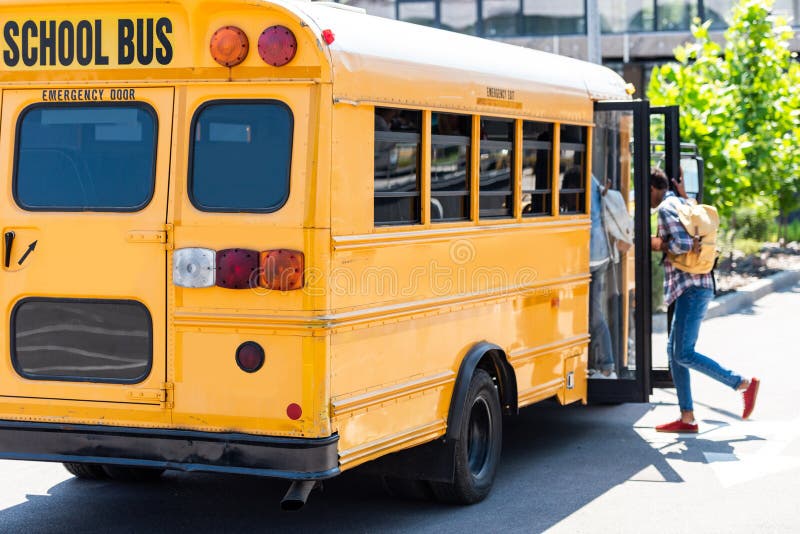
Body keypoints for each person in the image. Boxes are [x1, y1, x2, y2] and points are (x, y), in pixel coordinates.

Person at [649, 168, 759, 432]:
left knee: (684, 353)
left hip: (691, 288)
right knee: (674, 354)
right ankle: (687, 417)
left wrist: (658, 244)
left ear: (652, 188)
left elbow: (683, 245)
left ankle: (742, 383)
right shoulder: (682, 203)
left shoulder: (666, 208)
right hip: (696, 285)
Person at [588, 175, 616, 379]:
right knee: (592, 311)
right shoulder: (591, 176)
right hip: (601, 253)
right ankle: (601, 363)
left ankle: (607, 364)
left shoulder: (579, 177)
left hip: (591, 255)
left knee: (593, 313)